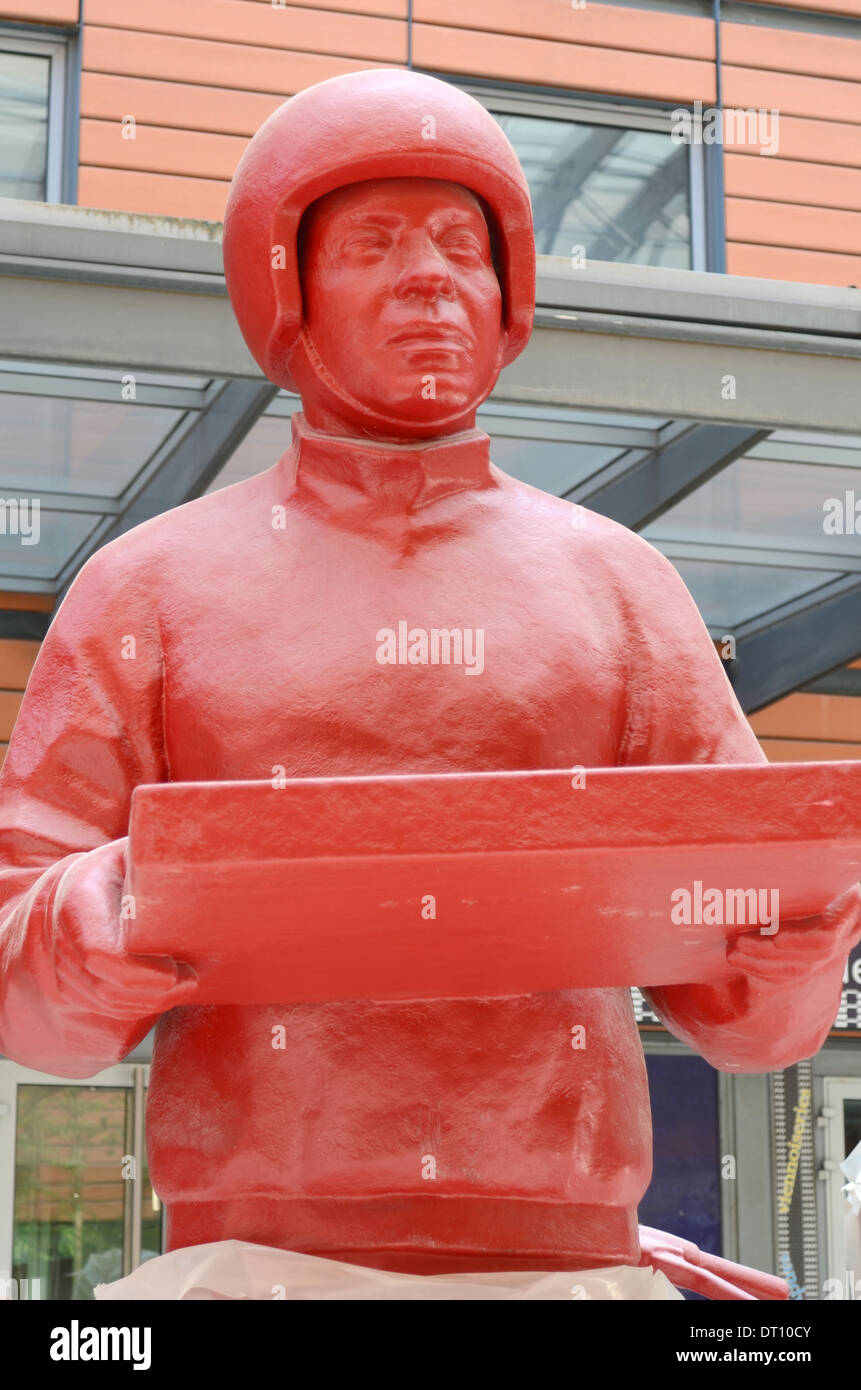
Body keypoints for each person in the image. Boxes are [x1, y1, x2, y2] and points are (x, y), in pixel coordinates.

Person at [0, 71, 858, 1296]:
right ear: (286, 286)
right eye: (372, 242)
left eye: (462, 242)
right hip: (257, 1260)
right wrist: (88, 925)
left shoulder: (620, 583)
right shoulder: (152, 586)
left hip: (563, 1264)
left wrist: (794, 944)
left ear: (509, 291)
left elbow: (749, 1015)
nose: (428, 276)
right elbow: (20, 944)